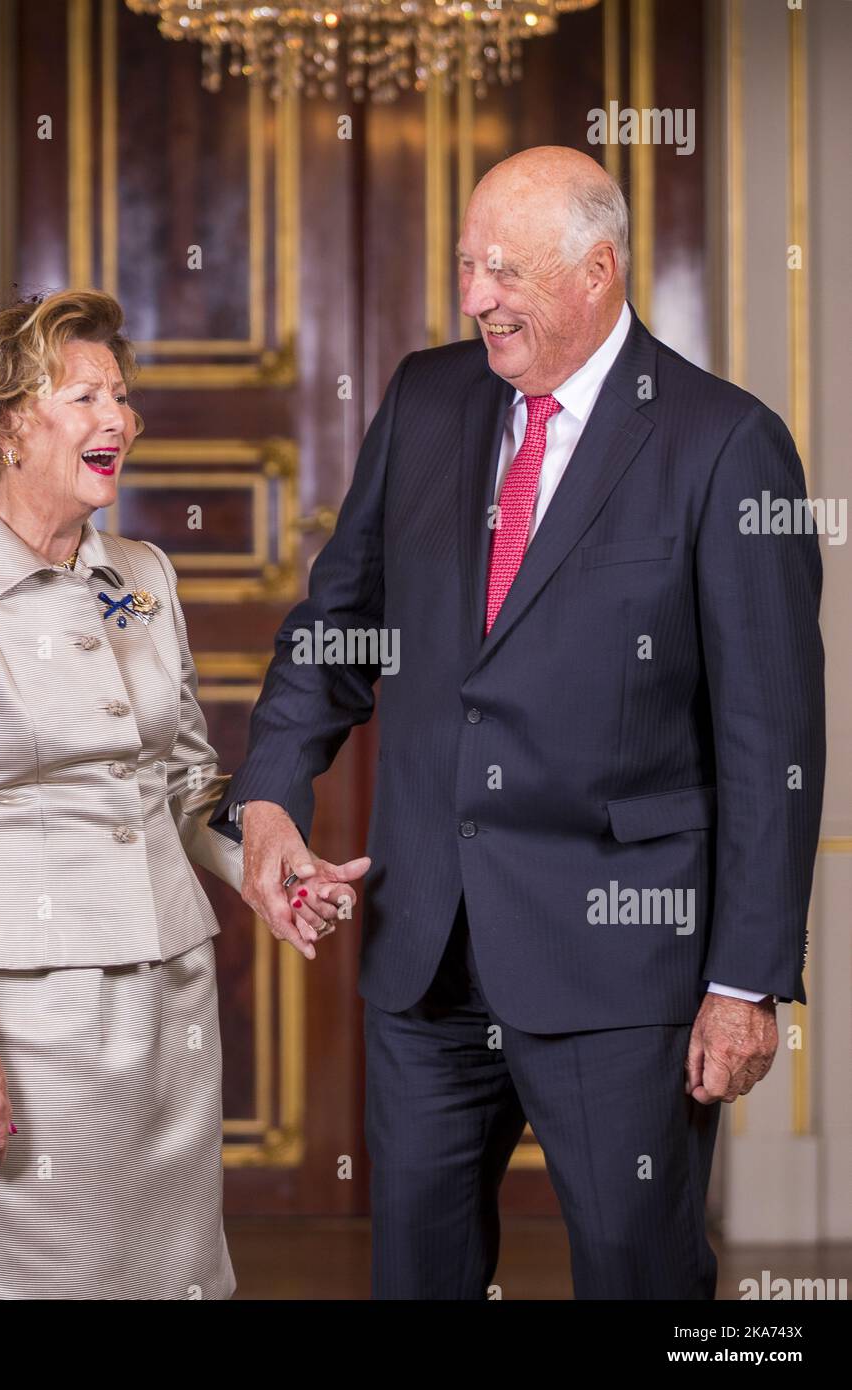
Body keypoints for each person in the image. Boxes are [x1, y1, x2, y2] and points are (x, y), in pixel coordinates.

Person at [211, 147, 826, 1299]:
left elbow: (771, 740)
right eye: (464, 265)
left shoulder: (726, 443)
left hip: (624, 968)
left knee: (641, 1278)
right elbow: (339, 623)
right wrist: (270, 796)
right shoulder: (426, 395)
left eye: (505, 271)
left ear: (598, 271)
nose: (474, 296)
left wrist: (745, 980)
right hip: (426, 953)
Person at [0, 288, 364, 1299]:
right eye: (84, 396)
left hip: (170, 999)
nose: (118, 420)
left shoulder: (142, 574)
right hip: (29, 1025)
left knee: (181, 1279)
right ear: (8, 425)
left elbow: (182, 778)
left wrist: (266, 862)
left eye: (122, 398)